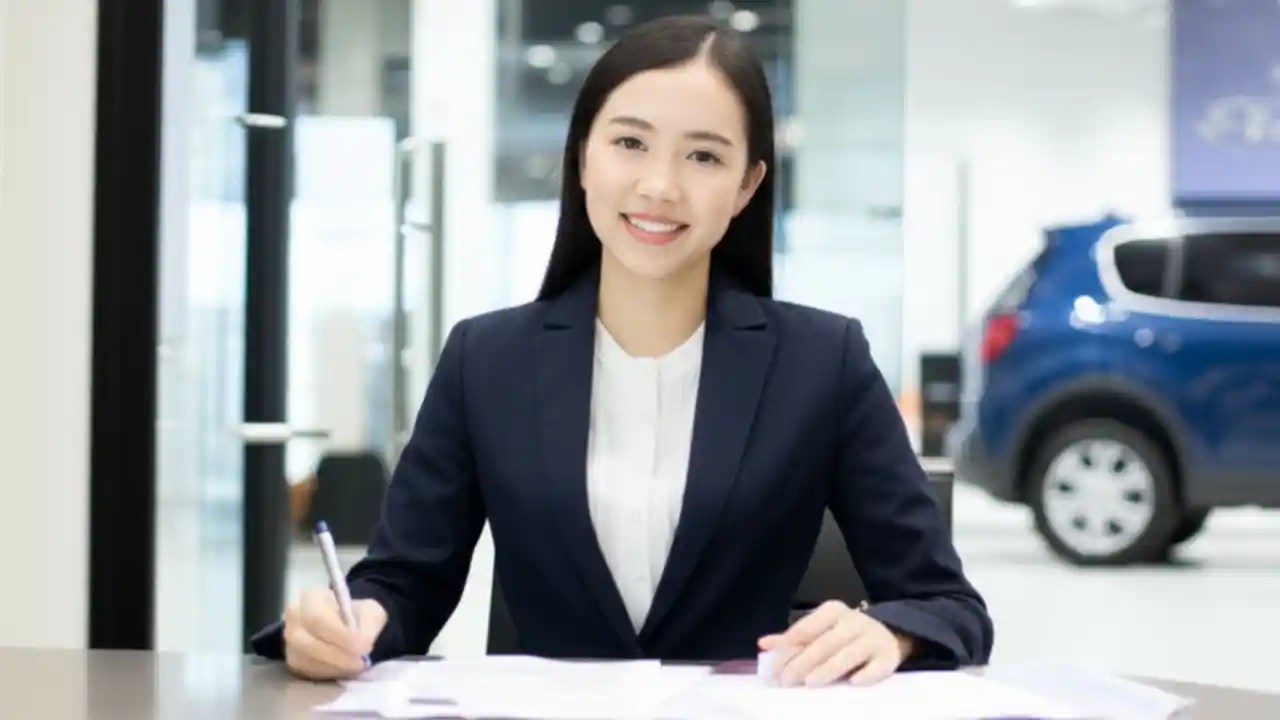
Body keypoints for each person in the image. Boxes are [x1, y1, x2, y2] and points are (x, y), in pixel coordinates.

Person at [251, 14, 993, 688]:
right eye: (630, 143)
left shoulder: (822, 360)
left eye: (704, 157)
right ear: (582, 159)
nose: (659, 185)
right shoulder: (487, 360)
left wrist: (892, 632)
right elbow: (403, 584)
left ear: (747, 186)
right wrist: (345, 625)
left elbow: (946, 603)